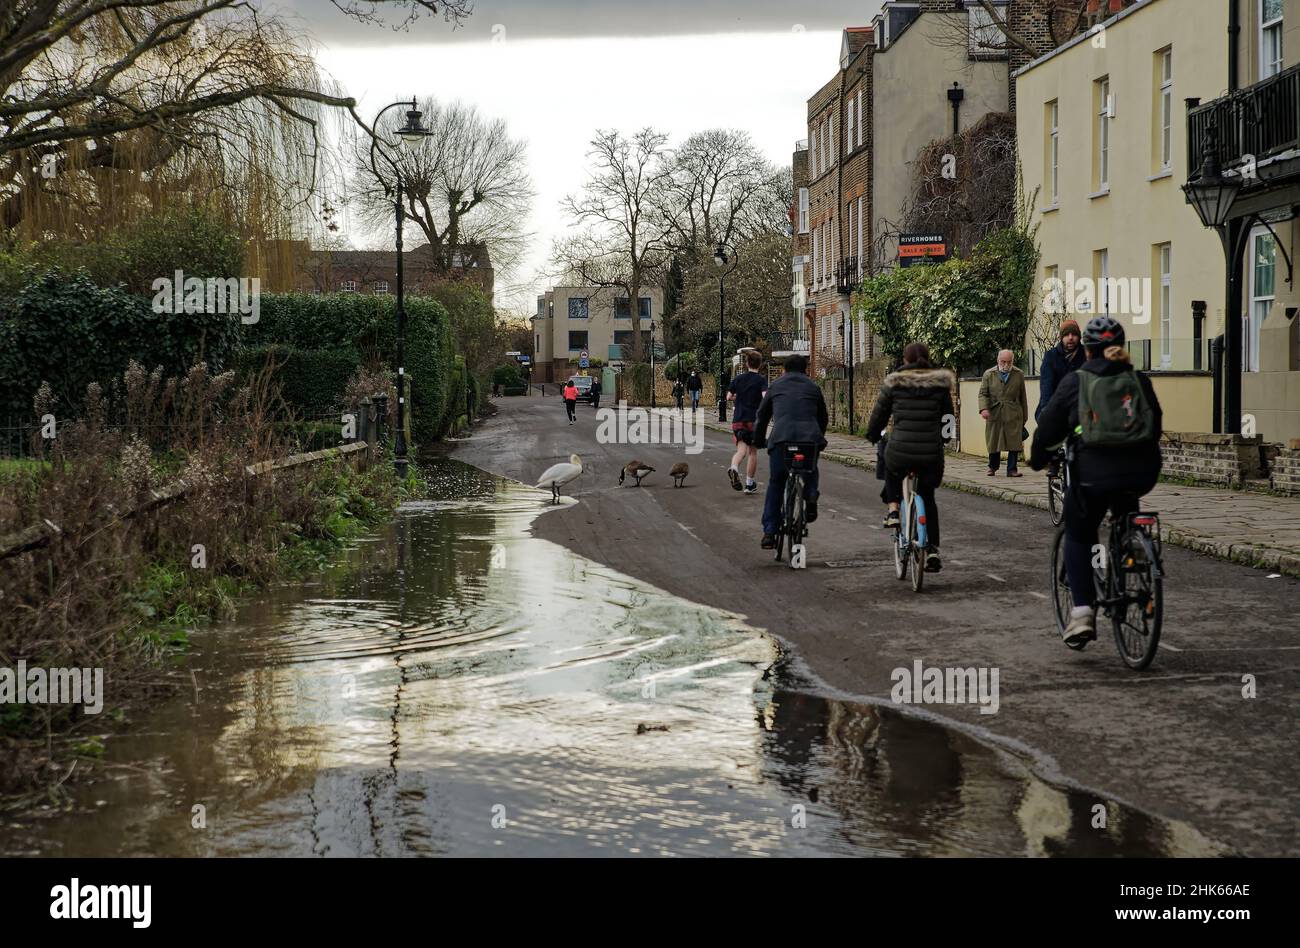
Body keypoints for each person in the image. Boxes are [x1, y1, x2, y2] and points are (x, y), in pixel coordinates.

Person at [1030, 315, 1163, 647]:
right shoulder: (1138, 379)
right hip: (1142, 471)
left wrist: (1038, 458)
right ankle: (1133, 545)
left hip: (1093, 475)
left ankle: (1083, 613)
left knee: (1079, 531)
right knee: (1124, 501)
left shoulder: (1077, 381)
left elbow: (1049, 427)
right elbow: (1154, 424)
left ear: (1087, 349)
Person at [865, 342, 954, 573]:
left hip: (901, 449)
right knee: (928, 496)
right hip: (930, 453)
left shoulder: (895, 382)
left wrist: (873, 435)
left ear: (905, 360)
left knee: (890, 463)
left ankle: (893, 510)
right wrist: (943, 441)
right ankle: (932, 549)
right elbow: (948, 418)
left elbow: (879, 414)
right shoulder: (940, 383)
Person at [752, 354, 828, 550]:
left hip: (781, 439)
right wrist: (819, 437)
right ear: (805, 369)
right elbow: (823, 416)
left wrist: (759, 440)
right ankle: (810, 496)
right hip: (808, 438)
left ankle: (769, 531)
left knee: (777, 482)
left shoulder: (775, 386)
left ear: (784, 369)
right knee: (810, 468)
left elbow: (762, 416)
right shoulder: (813, 386)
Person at [978, 349, 1028, 477]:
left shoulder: (1018, 374)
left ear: (1012, 361)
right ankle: (992, 467)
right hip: (995, 411)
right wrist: (984, 409)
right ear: (998, 360)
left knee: (1014, 441)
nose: (1006, 365)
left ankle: (1012, 469)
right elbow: (983, 394)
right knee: (994, 439)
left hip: (1013, 412)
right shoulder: (989, 374)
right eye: (1003, 361)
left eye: (1009, 362)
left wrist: (1024, 416)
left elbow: (1023, 396)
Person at [727, 351, 767, 495]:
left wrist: (739, 396)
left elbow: (729, 396)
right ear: (760, 364)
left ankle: (734, 468)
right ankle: (749, 484)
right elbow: (765, 396)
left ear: (746, 363)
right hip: (753, 421)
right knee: (753, 452)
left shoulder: (738, 379)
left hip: (738, 420)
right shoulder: (761, 380)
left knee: (741, 451)